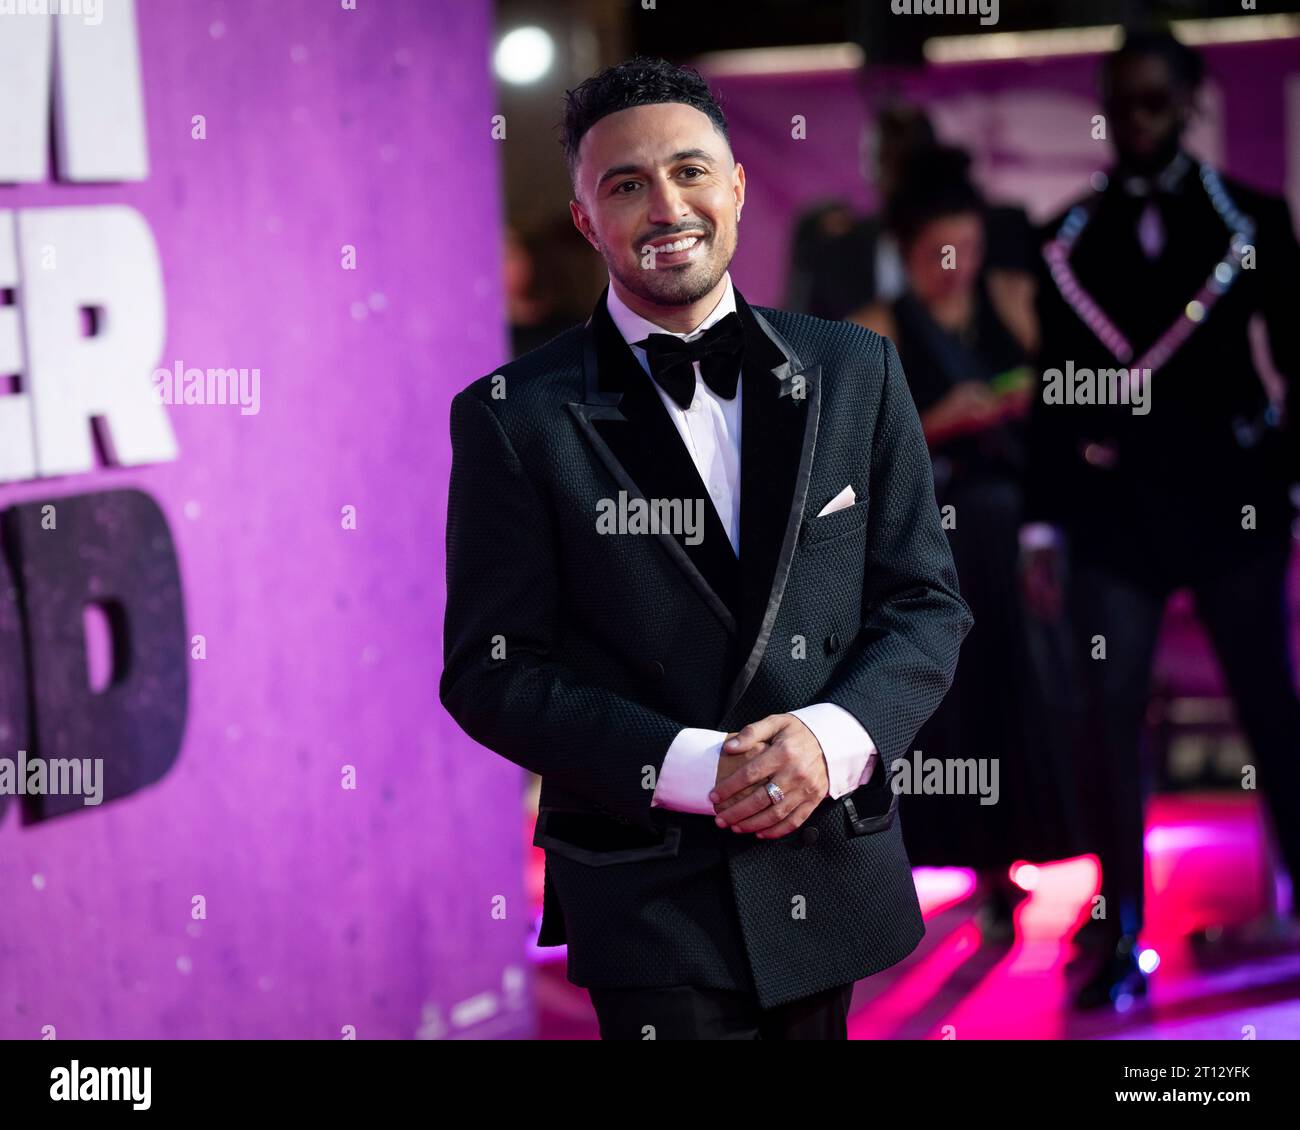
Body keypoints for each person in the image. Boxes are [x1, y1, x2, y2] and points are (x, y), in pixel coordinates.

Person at [440, 56, 973, 1040]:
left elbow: (923, 603)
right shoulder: (515, 417)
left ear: (733, 187)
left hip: (823, 855)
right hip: (648, 886)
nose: (665, 204)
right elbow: (491, 671)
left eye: (689, 171)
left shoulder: (854, 368)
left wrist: (826, 739)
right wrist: (688, 764)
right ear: (585, 221)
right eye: (625, 184)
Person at [1023, 27, 1300, 1011]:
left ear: (1187, 101)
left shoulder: (1250, 222)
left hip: (1231, 502)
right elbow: (1054, 392)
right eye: (1121, 100)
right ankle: (1115, 933)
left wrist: (1282, 476)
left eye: (1153, 101)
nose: (1136, 121)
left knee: (1273, 709)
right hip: (1113, 512)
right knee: (1106, 719)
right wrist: (1041, 524)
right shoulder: (1062, 238)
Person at [853, 146, 1081, 939]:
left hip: (1014, 532)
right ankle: (976, 868)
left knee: (1035, 697)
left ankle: (1032, 858)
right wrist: (942, 423)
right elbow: (850, 454)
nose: (957, 269)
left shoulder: (1012, 301)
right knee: (955, 708)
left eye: (971, 250)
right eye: (938, 254)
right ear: (907, 250)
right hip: (932, 544)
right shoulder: (875, 329)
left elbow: (1064, 404)